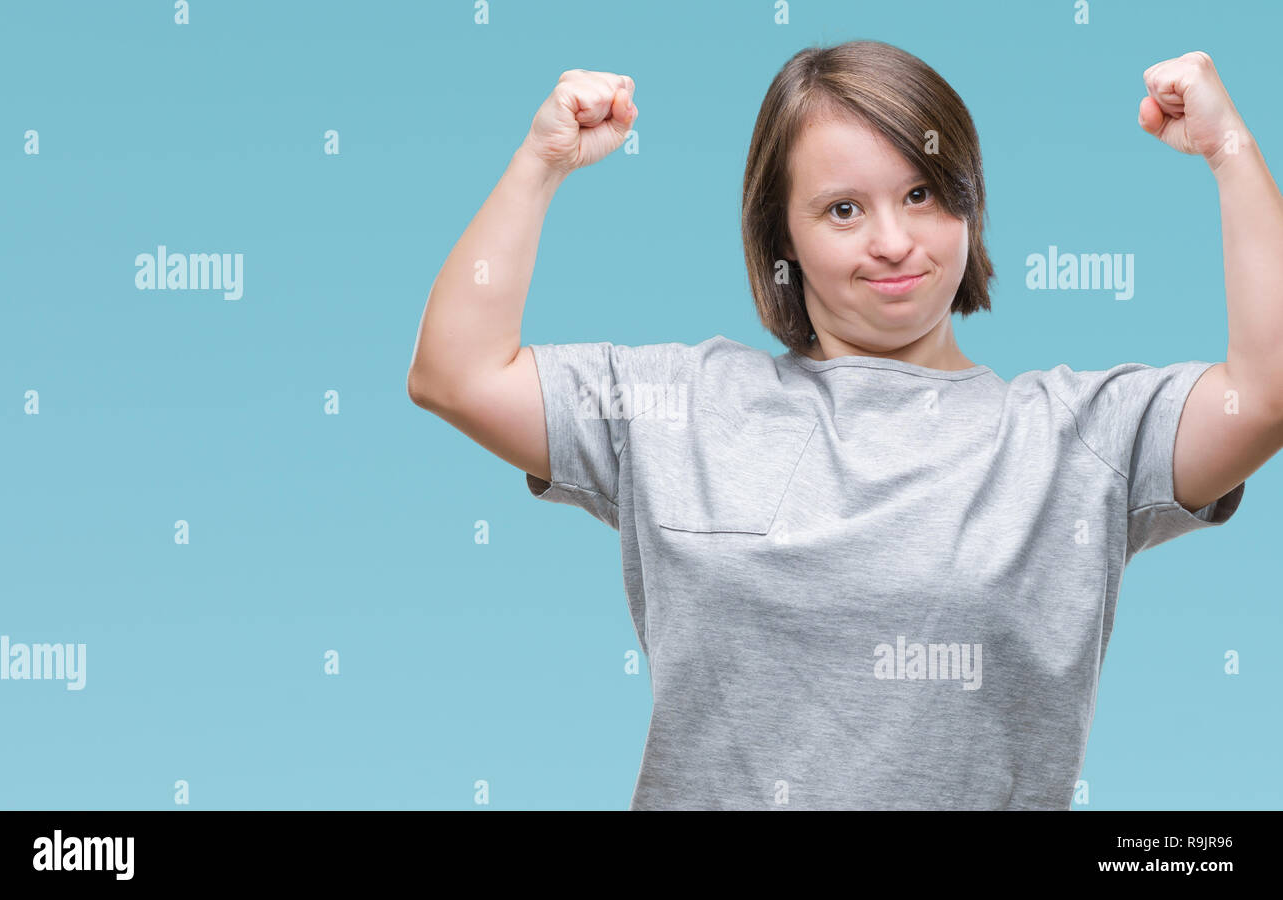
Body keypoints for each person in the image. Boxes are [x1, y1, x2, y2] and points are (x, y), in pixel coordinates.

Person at [407, 41, 1278, 810]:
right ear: (780, 236)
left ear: (970, 207)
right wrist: (540, 160)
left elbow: (1270, 390)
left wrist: (1230, 152)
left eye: (924, 193)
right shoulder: (674, 405)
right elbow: (456, 374)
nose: (894, 241)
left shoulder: (1079, 438)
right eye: (844, 210)